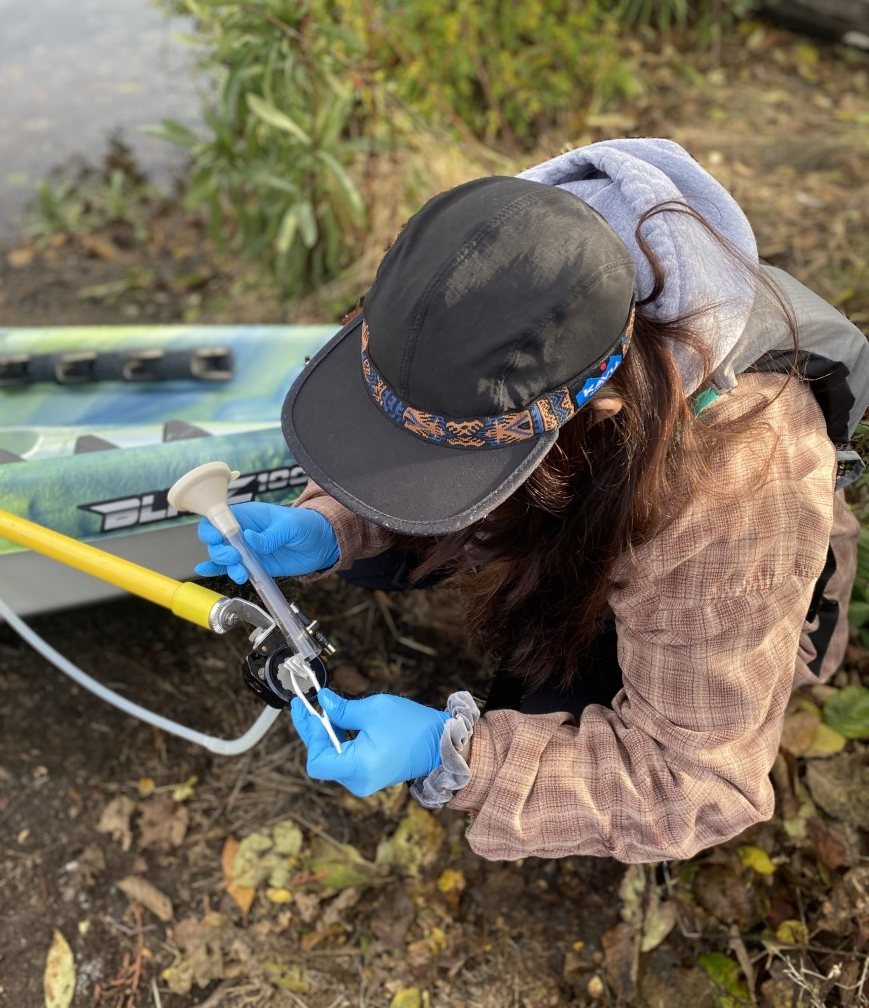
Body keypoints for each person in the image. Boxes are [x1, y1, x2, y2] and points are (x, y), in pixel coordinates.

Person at [195, 139, 869, 864]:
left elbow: (697, 778)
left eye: (466, 457)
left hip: (720, 597)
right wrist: (332, 523)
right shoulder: (469, 276)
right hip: (584, 489)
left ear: (601, 411)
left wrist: (458, 755)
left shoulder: (738, 484)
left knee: (540, 702)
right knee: (386, 563)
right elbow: (422, 412)